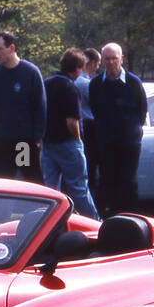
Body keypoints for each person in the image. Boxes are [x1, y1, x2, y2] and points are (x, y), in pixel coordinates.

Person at [89, 42, 147, 216]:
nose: (111, 62)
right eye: (107, 59)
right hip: (107, 141)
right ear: (102, 61)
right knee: (108, 180)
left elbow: (141, 111)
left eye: (114, 58)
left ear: (121, 59)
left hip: (129, 141)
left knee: (128, 181)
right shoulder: (96, 84)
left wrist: (131, 130)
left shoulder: (133, 83)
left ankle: (130, 217)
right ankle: (111, 218)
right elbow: (95, 110)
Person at [41, 48, 98, 219]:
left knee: (50, 190)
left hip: (48, 144)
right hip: (67, 143)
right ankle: (95, 222)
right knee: (79, 188)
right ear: (77, 69)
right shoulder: (70, 88)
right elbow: (71, 122)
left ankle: (50, 224)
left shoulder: (46, 84)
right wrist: (78, 140)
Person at [0, 30, 46, 182]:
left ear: (11, 48)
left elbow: (40, 107)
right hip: (0, 142)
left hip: (23, 143)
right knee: (1, 184)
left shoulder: (30, 72)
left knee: (29, 181)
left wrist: (37, 137)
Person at [77, 48, 102, 196]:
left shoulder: (73, 80)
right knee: (91, 168)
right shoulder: (86, 83)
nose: (97, 67)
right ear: (92, 63)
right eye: (98, 63)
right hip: (89, 128)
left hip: (78, 127)